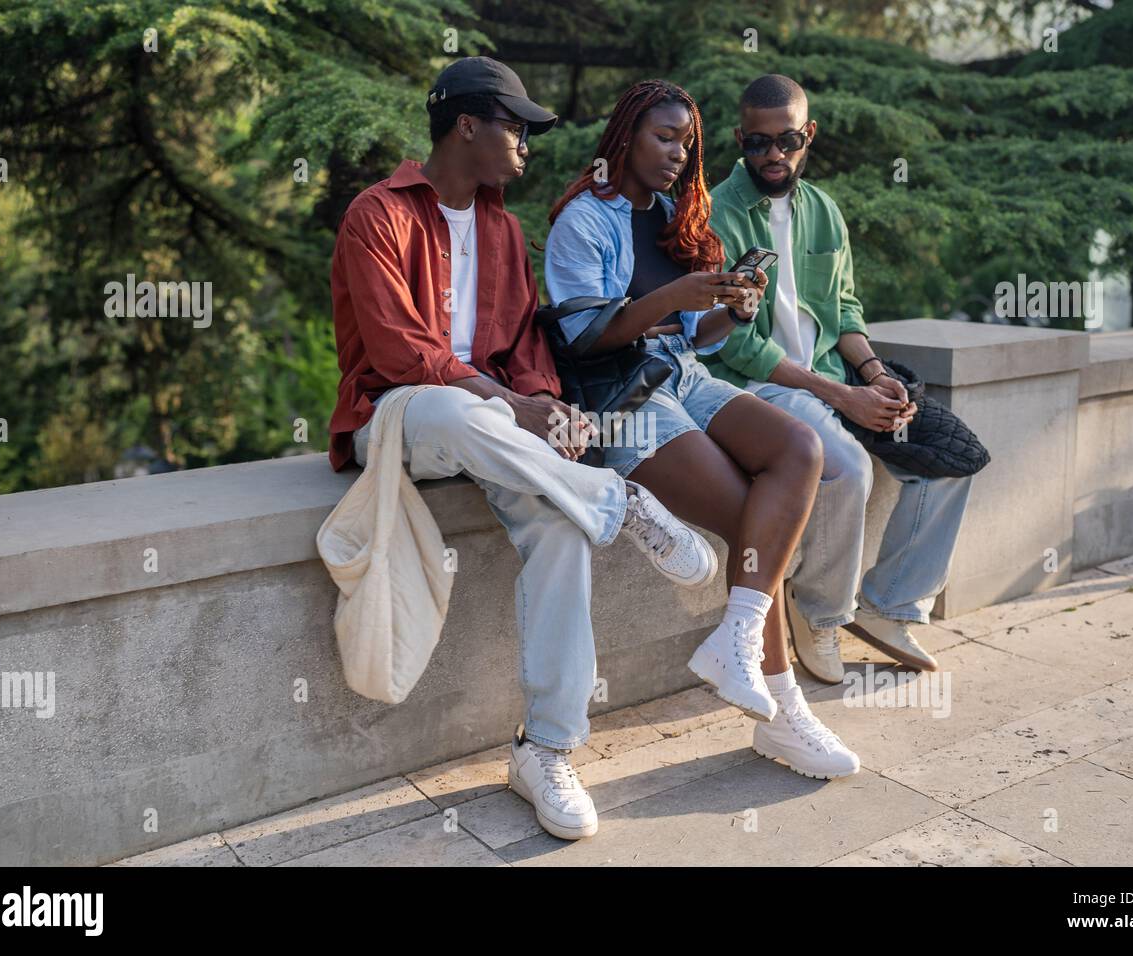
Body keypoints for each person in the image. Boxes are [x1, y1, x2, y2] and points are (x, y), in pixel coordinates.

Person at [328, 57, 721, 841]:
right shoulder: (378, 215)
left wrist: (547, 406)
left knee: (559, 525)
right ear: (467, 125)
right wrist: (513, 407)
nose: (528, 144)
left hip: (500, 427)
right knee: (455, 409)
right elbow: (402, 352)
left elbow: (524, 344)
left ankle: (546, 748)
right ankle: (625, 502)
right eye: (516, 126)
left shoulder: (505, 230)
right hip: (401, 416)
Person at [545, 79, 861, 782]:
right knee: (756, 519)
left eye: (688, 144)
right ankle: (785, 716)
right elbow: (582, 337)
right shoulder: (583, 218)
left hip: (684, 376)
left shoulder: (670, 217)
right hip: (622, 398)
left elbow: (702, 336)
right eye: (664, 138)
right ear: (625, 135)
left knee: (799, 446)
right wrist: (671, 297)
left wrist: (734, 308)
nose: (679, 156)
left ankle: (739, 640)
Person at [705, 74, 974, 683]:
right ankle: (821, 614)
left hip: (836, 377)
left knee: (951, 454)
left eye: (788, 140)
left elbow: (844, 311)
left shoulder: (823, 210)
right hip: (760, 386)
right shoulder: (716, 213)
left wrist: (876, 376)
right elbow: (737, 342)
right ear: (739, 138)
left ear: (809, 134)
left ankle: (889, 605)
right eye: (757, 142)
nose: (774, 154)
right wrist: (840, 395)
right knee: (845, 466)